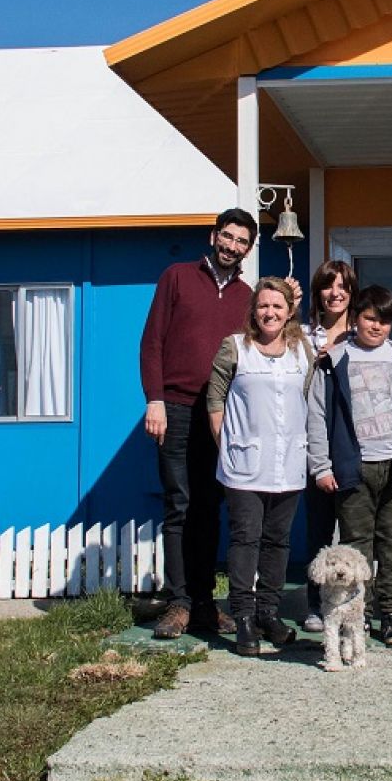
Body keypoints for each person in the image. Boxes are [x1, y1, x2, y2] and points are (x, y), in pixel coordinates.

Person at [138, 207, 257, 640]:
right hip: (175, 407)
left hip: (220, 414)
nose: (232, 246)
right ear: (213, 236)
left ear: (249, 248)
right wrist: (155, 399)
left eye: (241, 241)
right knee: (180, 504)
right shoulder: (177, 277)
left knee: (211, 507)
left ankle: (206, 604)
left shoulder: (247, 296)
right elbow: (152, 341)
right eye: (227, 236)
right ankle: (179, 602)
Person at [307, 284, 392, 647]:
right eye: (369, 318)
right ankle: (357, 616)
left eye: (385, 320)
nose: (377, 326)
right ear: (355, 318)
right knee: (355, 545)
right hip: (351, 468)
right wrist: (321, 465)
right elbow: (317, 416)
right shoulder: (333, 363)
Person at [206, 277, 313, 656]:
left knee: (277, 541)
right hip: (244, 464)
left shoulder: (303, 350)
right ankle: (244, 618)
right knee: (246, 538)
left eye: (277, 307)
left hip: (289, 462)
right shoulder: (235, 348)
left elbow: (309, 399)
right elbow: (215, 398)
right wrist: (225, 445)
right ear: (254, 311)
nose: (270, 312)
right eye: (263, 306)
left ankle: (269, 611)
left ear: (289, 312)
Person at [301, 260, 357, 633]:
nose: (335, 292)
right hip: (312, 442)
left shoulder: (363, 332)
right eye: (327, 285)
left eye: (343, 285)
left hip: (355, 446)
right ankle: (314, 605)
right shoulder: (302, 335)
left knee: (354, 533)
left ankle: (354, 609)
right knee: (318, 531)